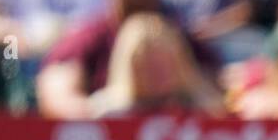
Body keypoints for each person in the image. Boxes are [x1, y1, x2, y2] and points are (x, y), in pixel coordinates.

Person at [37, 0, 213, 118]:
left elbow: (214, 92)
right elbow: (58, 99)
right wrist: (115, 118)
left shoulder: (178, 37)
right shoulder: (87, 40)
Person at [87, 12, 225, 116]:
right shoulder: (106, 114)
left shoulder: (204, 110)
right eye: (149, 67)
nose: (159, 75)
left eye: (164, 65)